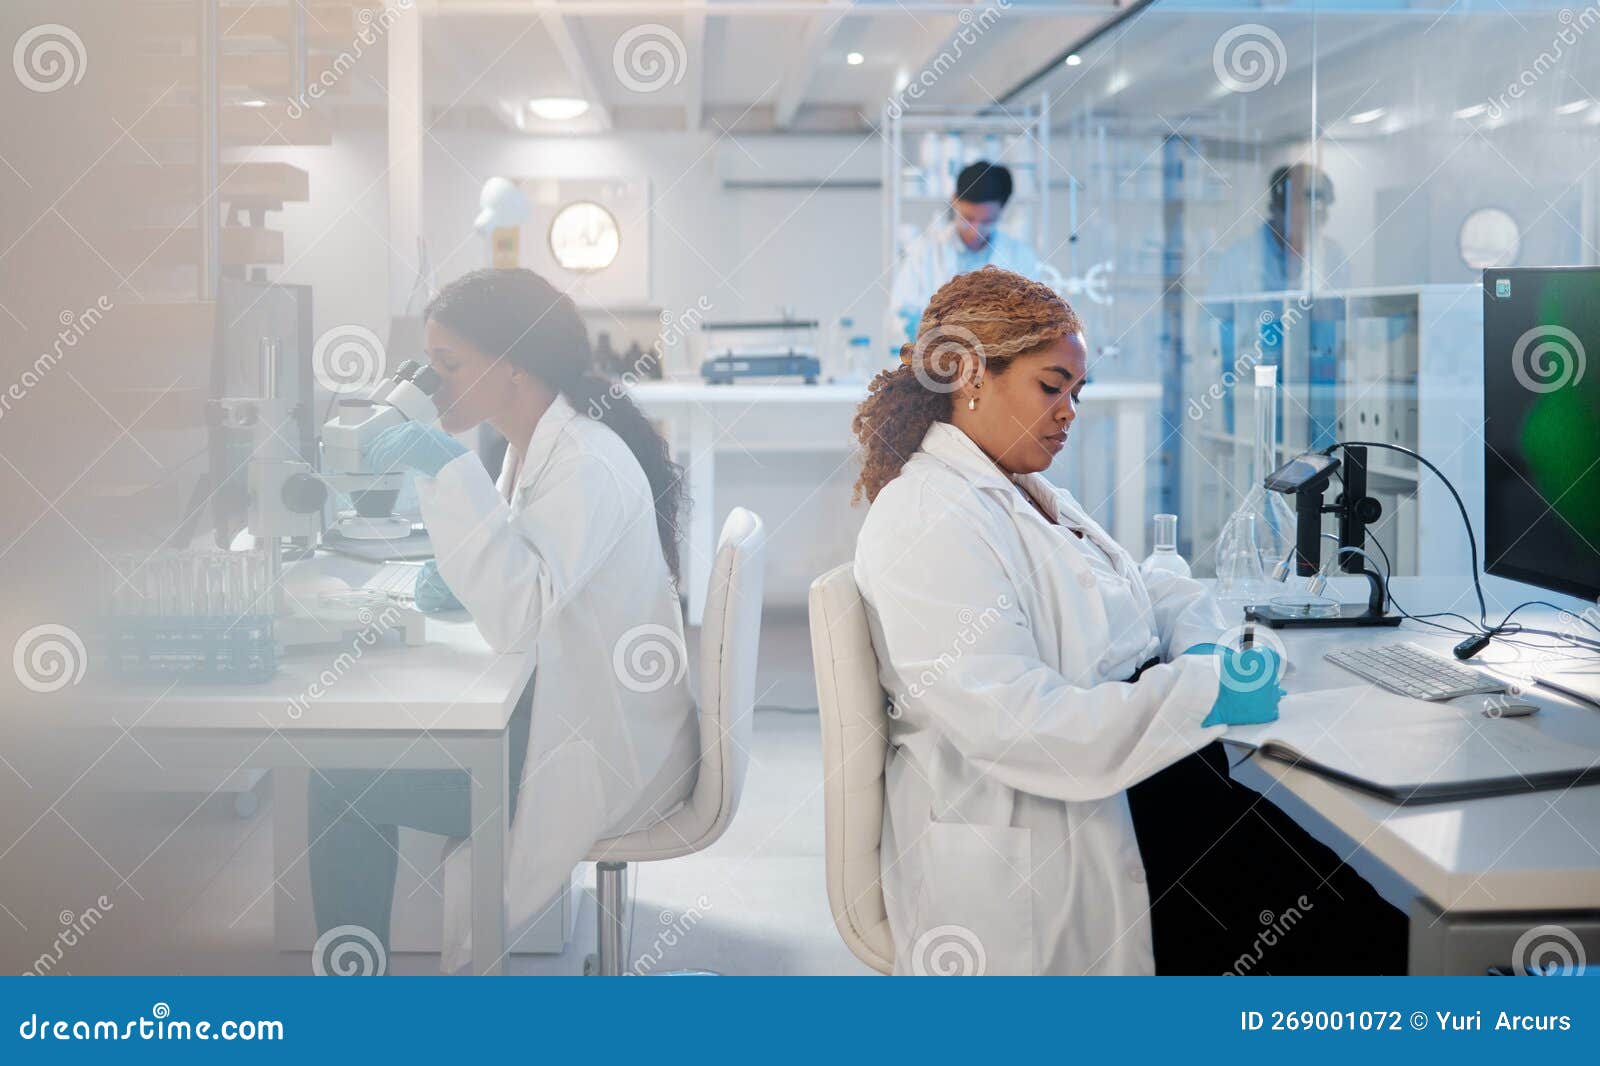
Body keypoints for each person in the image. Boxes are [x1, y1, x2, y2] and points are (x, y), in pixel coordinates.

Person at [850, 266, 1405, 975]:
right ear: (970, 376)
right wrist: (1208, 690)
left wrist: (1207, 656)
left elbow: (1149, 592)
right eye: (1051, 387)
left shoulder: (1021, 489)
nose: (1069, 412)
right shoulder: (929, 516)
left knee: (1368, 916)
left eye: (1077, 393)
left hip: (1149, 783)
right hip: (1069, 828)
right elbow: (1019, 726)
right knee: (1371, 941)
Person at [309, 268, 699, 972]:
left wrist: (444, 470)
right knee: (376, 747)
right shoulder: (537, 443)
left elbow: (520, 615)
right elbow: (526, 565)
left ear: (514, 366)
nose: (433, 385)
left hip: (604, 752)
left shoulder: (583, 461)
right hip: (575, 714)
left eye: (448, 365)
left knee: (336, 782)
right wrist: (460, 577)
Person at [888, 161, 1043, 345]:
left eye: (986, 221)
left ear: (1001, 211)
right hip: (937, 355)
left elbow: (1035, 320)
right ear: (954, 201)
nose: (975, 230)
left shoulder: (1020, 257)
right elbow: (899, 314)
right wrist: (927, 335)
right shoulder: (924, 252)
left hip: (1001, 359)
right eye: (968, 219)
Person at [1208, 162, 1350, 294]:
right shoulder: (1239, 257)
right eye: (1301, 216)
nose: (1312, 226)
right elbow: (1214, 312)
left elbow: (1348, 307)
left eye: (1319, 217)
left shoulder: (1334, 255)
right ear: (1275, 209)